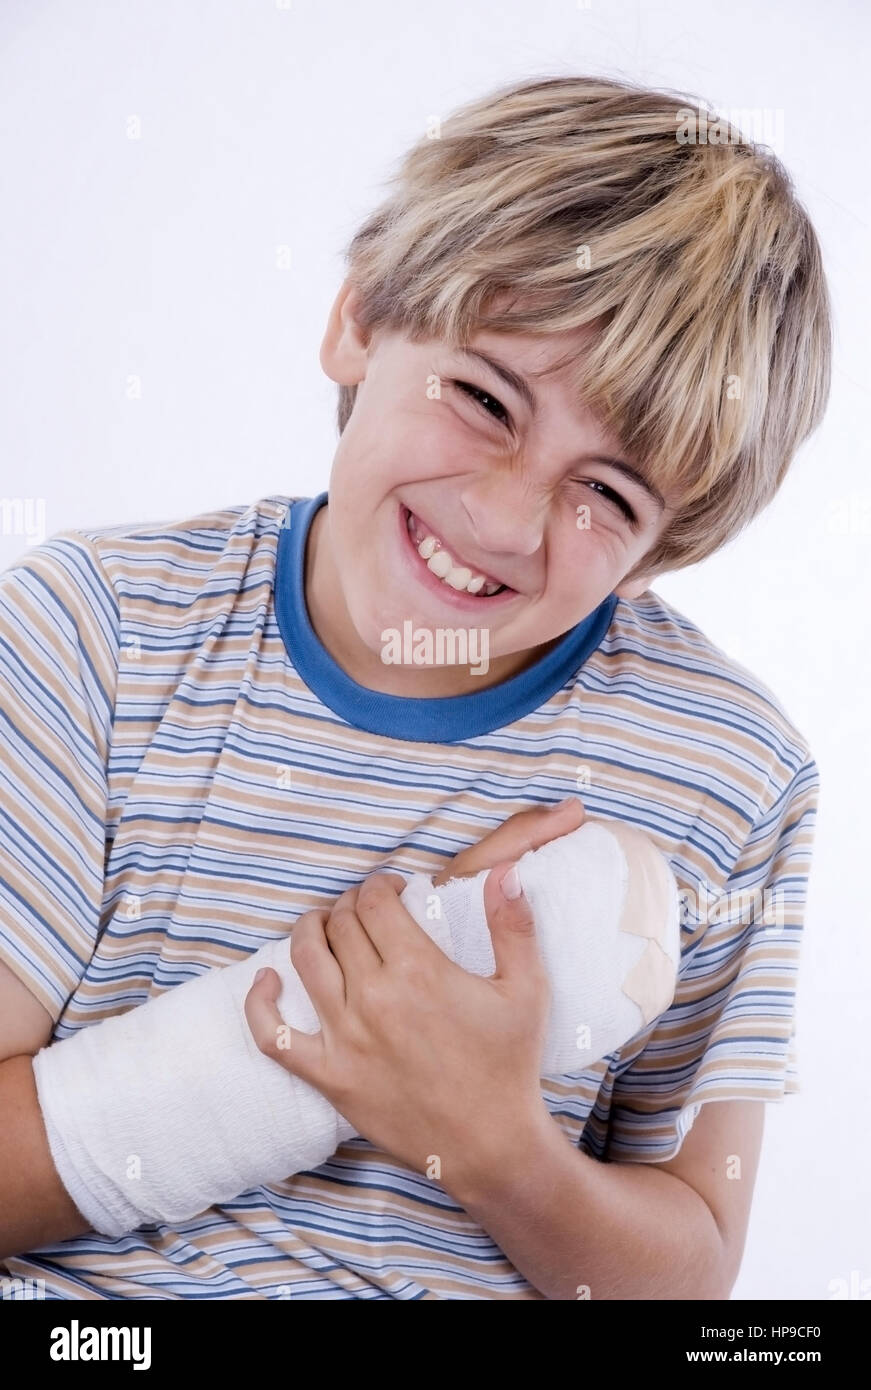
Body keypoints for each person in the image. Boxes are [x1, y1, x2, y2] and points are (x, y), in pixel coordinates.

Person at [0, 72, 828, 1300]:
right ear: (357, 320)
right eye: (484, 398)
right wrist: (324, 1045)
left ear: (662, 555)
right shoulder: (101, 634)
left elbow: (688, 1281)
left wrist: (493, 1140)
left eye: (607, 493)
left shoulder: (729, 771)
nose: (504, 516)